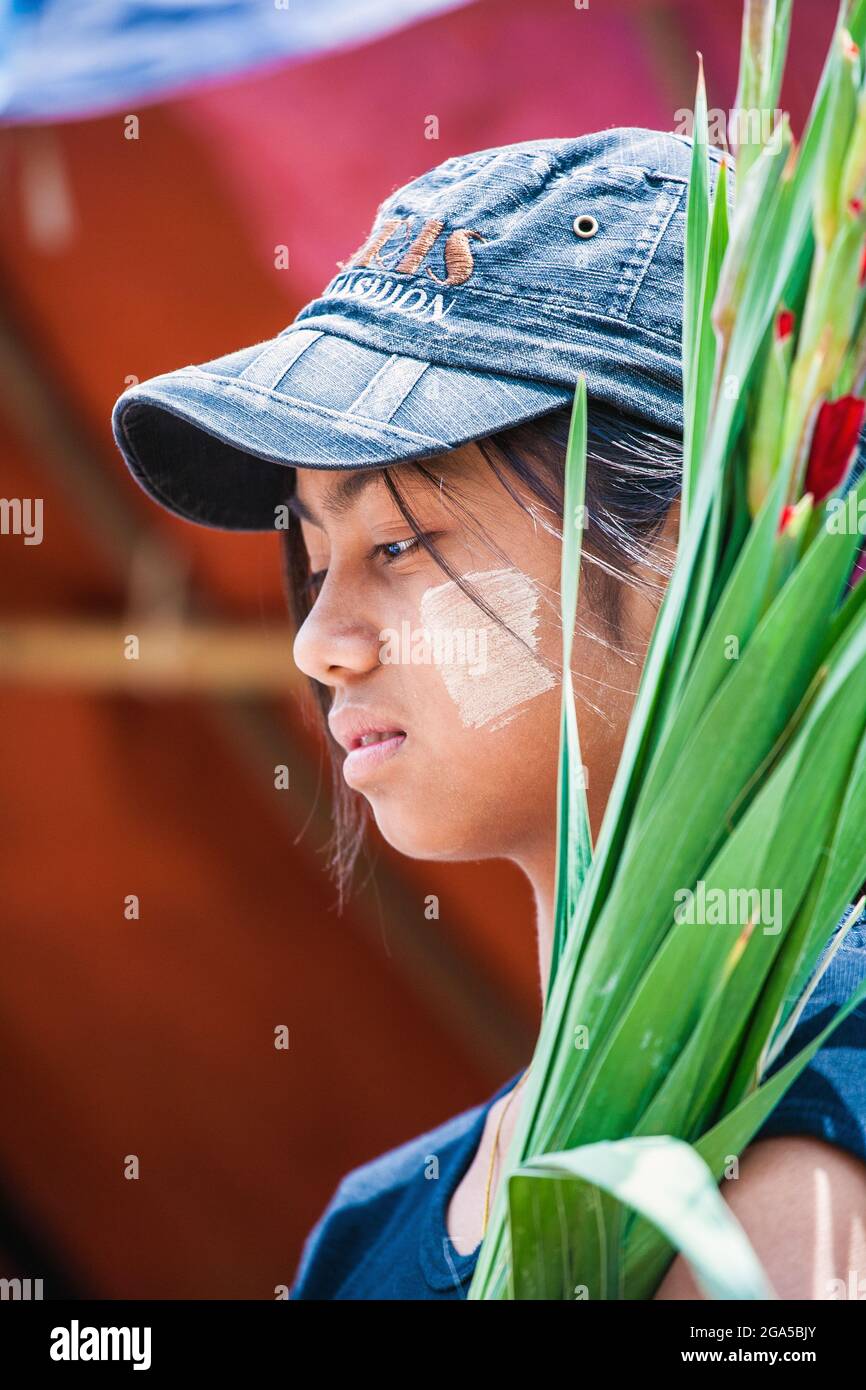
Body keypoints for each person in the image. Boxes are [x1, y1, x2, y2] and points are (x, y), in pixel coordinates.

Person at [111, 127, 866, 1301]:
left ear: (704, 547)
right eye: (313, 557)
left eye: (400, 543)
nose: (318, 641)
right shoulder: (370, 1236)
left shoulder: (817, 1145)